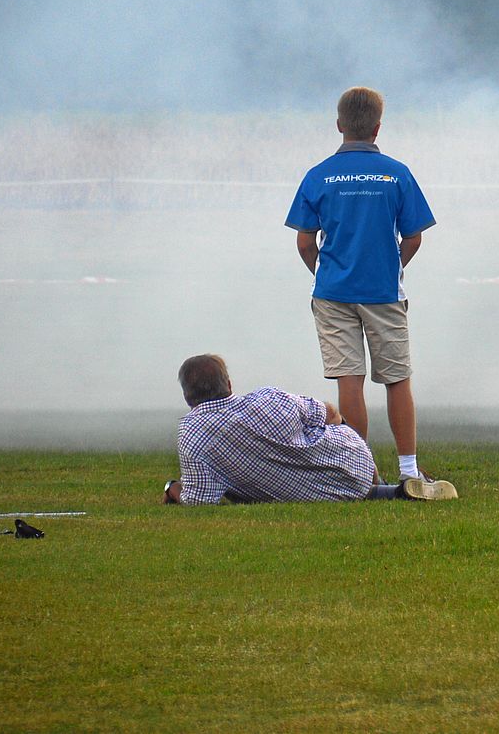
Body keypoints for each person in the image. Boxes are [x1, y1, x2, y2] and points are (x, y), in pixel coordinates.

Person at [285, 86, 437, 484]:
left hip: (333, 292)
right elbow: (414, 236)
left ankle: (360, 468)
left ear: (339, 126)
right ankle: (408, 469)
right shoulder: (396, 173)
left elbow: (304, 240)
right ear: (377, 128)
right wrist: (393, 266)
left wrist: (322, 270)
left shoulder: (317, 175)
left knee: (349, 380)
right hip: (384, 291)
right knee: (397, 378)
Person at [162, 353, 456, 504]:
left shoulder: (193, 434)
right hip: (351, 463)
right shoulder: (268, 398)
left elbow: (199, 500)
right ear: (228, 385)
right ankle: (389, 489)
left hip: (302, 494)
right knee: (345, 444)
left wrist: (172, 489)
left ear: (188, 398)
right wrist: (344, 429)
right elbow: (327, 412)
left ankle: (388, 492)